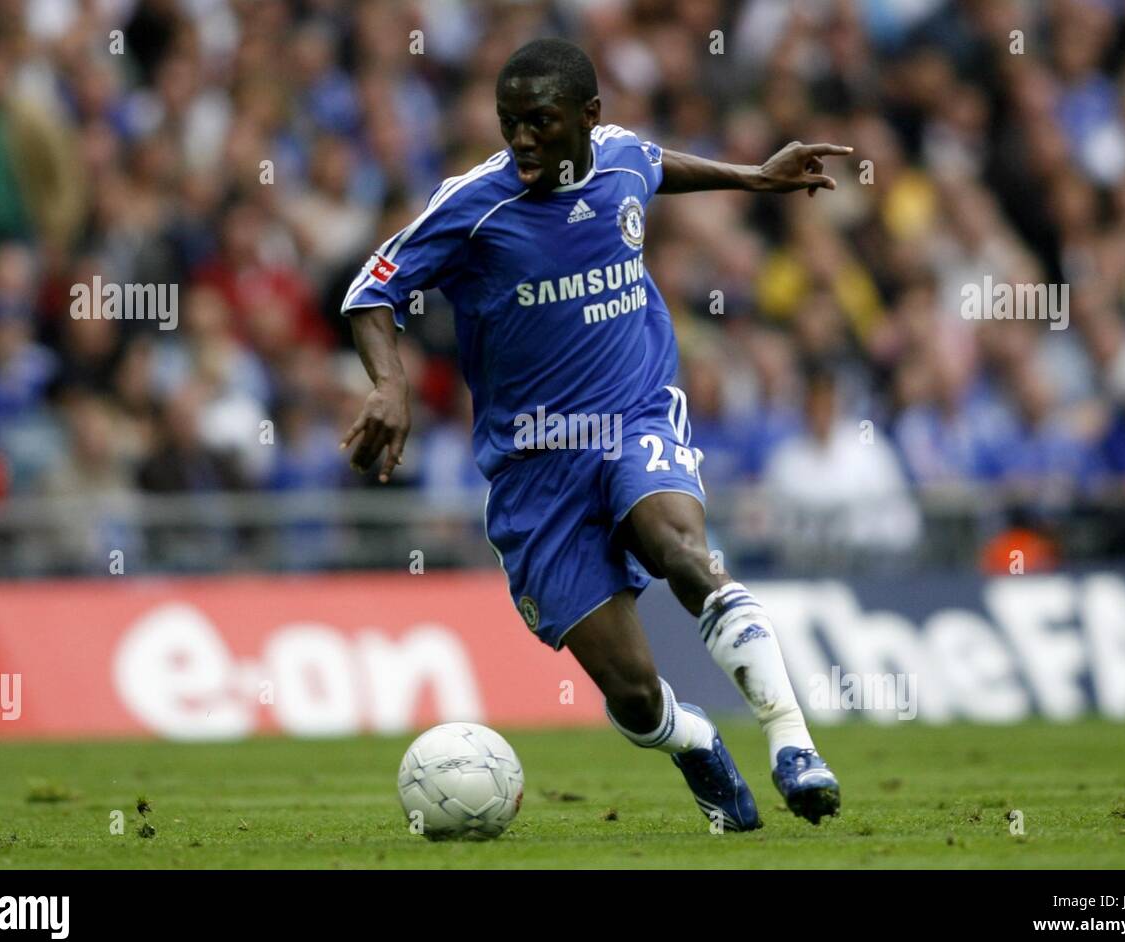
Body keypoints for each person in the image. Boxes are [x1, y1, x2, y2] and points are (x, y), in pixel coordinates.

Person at [340, 39, 851, 831]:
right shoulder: (475, 206)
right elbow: (371, 285)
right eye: (509, 123)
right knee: (635, 693)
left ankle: (792, 742)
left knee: (682, 551)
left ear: (588, 118)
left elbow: (654, 166)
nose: (521, 140)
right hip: (535, 468)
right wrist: (390, 384)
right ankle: (697, 742)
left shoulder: (619, 159)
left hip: (635, 413)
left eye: (540, 121)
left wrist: (753, 177)